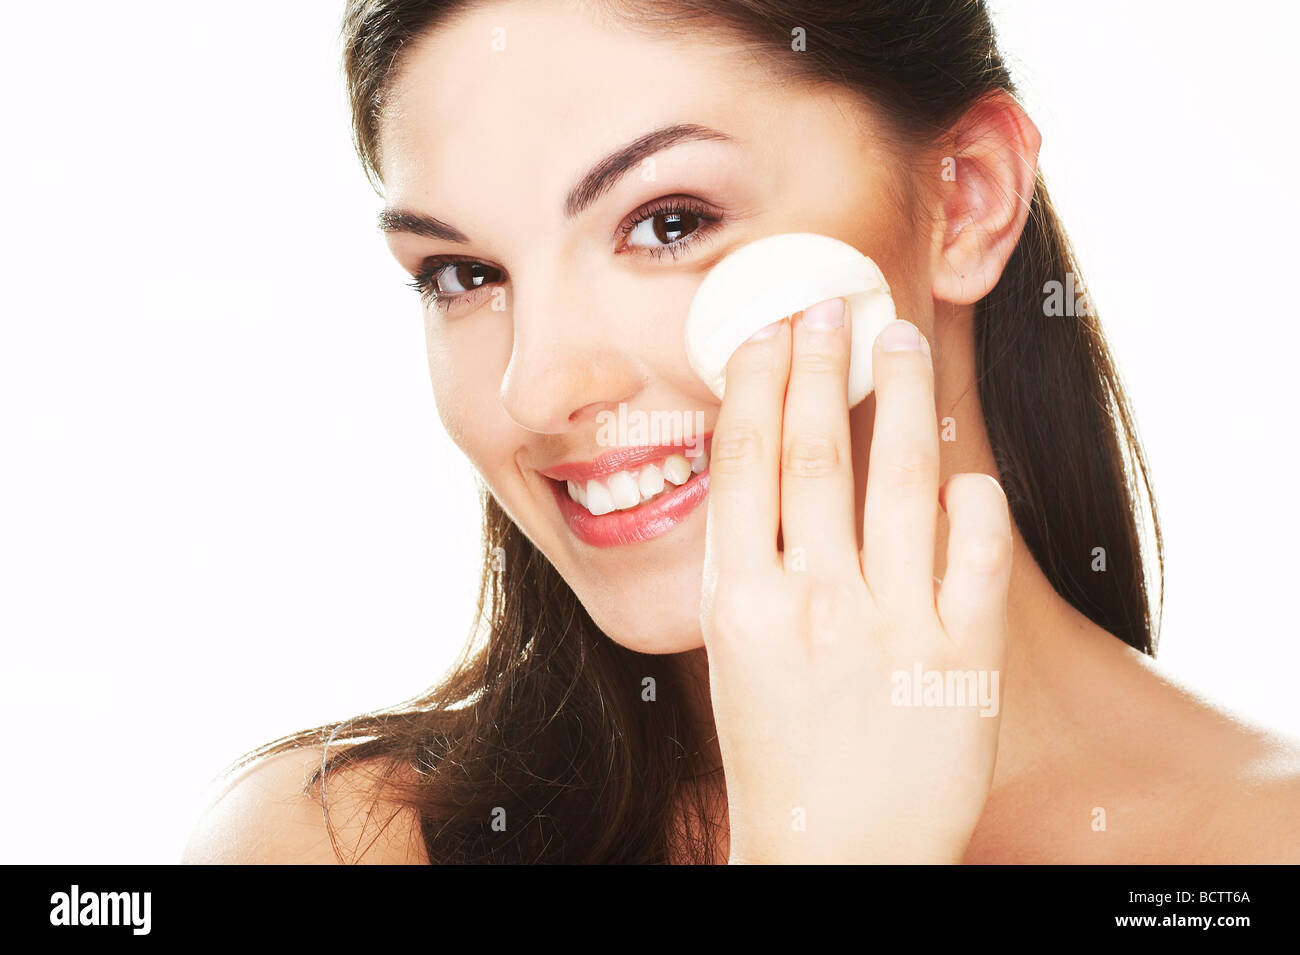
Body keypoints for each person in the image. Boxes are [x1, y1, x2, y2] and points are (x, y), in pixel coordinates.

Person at [182, 0, 1300, 864]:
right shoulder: (336, 841)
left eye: (669, 223)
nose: (538, 386)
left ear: (964, 199)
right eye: (463, 274)